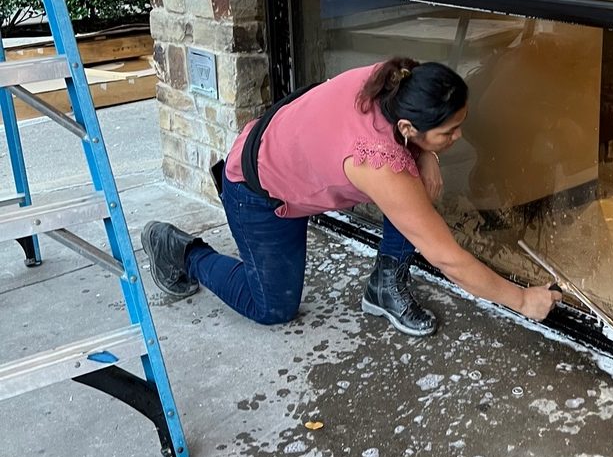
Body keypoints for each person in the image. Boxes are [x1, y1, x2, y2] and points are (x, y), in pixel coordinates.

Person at [140, 57, 559, 336]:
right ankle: (182, 252)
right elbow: (447, 257)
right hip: (257, 192)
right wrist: (522, 299)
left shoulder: (398, 78)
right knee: (271, 307)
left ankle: (383, 286)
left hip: (294, 156)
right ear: (409, 125)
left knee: (410, 184)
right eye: (448, 132)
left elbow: (405, 148)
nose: (459, 137)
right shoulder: (378, 163)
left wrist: (426, 150)